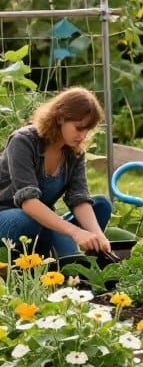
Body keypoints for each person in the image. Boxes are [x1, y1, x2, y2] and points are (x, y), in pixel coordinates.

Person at [0, 87, 112, 257]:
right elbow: (28, 202)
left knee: (102, 205)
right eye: (79, 128)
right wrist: (75, 232)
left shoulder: (74, 151)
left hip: (43, 220)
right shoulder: (23, 141)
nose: (83, 136)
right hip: (10, 215)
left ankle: (78, 264)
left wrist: (99, 236)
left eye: (87, 130)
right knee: (28, 220)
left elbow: (78, 197)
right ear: (60, 117)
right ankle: (28, 263)